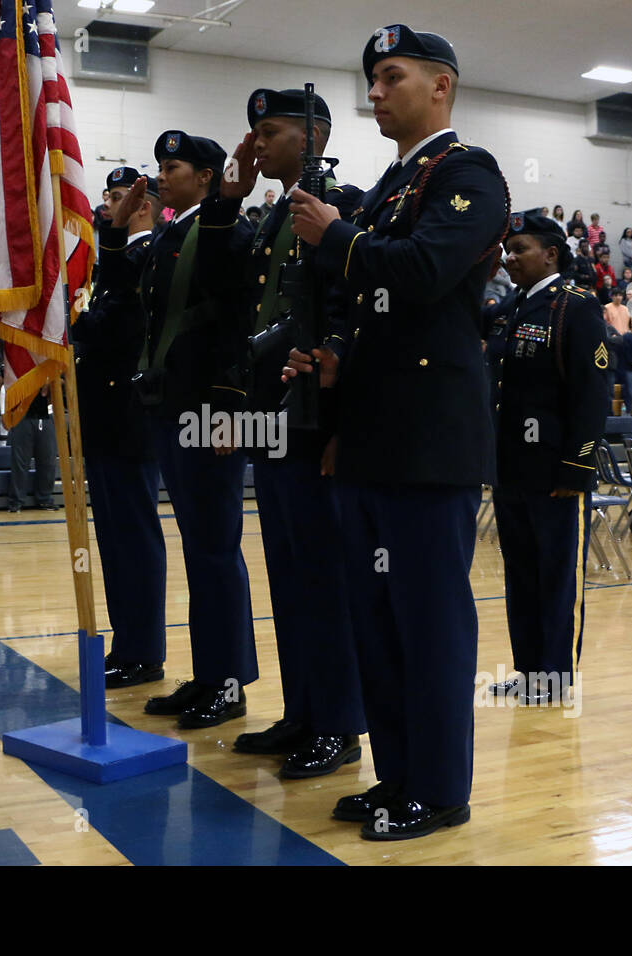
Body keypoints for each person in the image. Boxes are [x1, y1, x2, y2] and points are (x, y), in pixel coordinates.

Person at [285, 24, 507, 840]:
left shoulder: (469, 175)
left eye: (390, 76)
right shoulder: (389, 186)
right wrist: (335, 360)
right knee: (376, 620)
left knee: (430, 623)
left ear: (440, 85)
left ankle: (441, 788)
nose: (374, 93)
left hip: (426, 440)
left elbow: (422, 272)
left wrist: (337, 237)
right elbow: (372, 307)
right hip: (374, 436)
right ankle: (398, 776)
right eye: (371, 80)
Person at [211, 87, 367, 778]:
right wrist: (228, 197)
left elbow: (351, 309)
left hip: (313, 419)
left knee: (326, 582)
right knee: (291, 578)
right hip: (272, 417)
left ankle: (339, 724)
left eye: (270, 131)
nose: (258, 142)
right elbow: (238, 303)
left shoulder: (345, 205)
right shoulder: (274, 214)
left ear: (313, 135)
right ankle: (304, 709)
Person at [99, 130, 257, 730]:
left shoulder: (225, 231)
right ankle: (208, 671)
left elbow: (233, 326)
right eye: (162, 165)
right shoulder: (171, 232)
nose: (162, 175)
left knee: (216, 547)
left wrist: (226, 406)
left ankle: (229, 681)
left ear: (209, 176)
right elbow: (121, 292)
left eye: (175, 166)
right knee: (198, 547)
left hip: (207, 412)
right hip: (171, 407)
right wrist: (114, 230)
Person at [489, 210, 609, 707]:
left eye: (520, 250)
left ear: (551, 255)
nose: (509, 258)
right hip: (510, 466)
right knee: (520, 572)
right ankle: (528, 670)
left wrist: (577, 467)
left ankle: (555, 679)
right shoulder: (513, 305)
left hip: (555, 470)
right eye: (508, 250)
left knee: (558, 576)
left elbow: (592, 394)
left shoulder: (576, 307)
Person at [74, 167, 167, 690]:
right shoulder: (118, 262)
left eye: (117, 197)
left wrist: (76, 319)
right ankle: (128, 644)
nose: (106, 205)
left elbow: (117, 327)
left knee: (133, 538)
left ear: (143, 204)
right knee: (115, 539)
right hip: (107, 421)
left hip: (130, 420)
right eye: (107, 195)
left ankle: (144, 650)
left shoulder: (144, 257)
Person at [7, 382, 58, 510]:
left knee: (48, 459)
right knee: (20, 461)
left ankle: (45, 498)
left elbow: (61, 380)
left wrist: (49, 382)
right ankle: (16, 500)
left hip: (45, 411)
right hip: (22, 410)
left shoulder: (50, 363)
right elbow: (5, 382)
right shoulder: (16, 363)